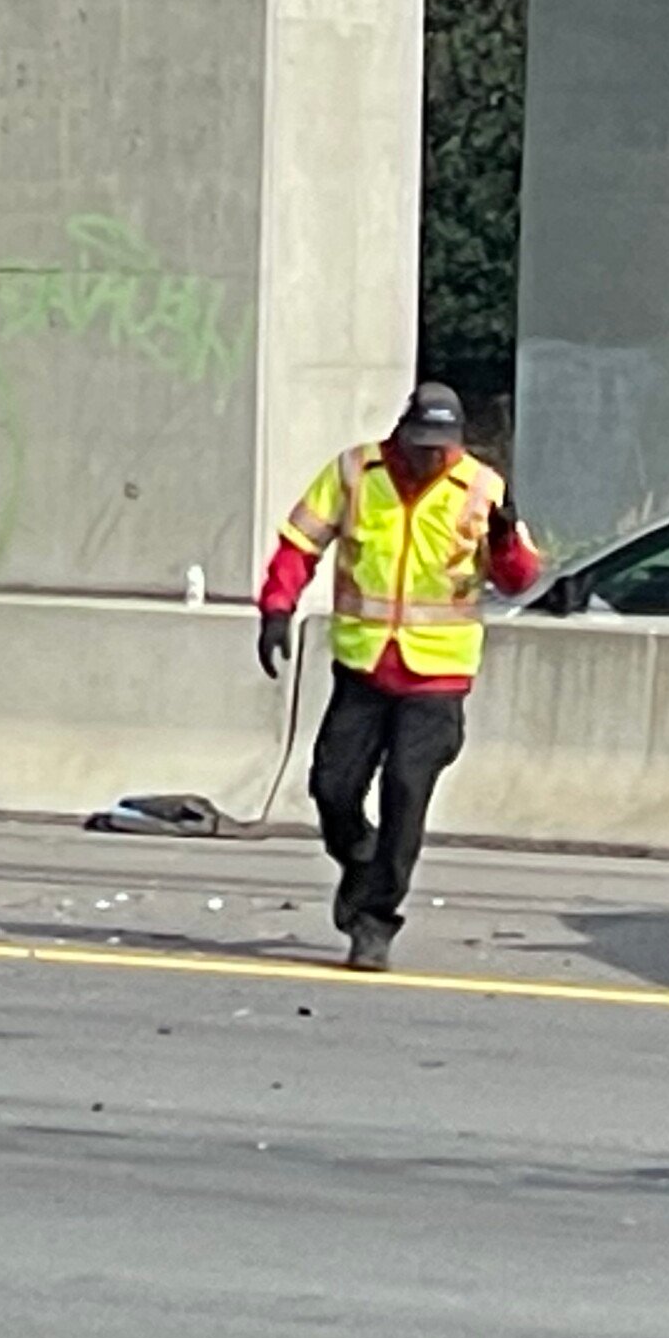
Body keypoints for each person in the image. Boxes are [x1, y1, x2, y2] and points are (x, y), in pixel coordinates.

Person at [256, 384, 540, 971]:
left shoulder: (482, 489)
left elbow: (518, 580)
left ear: (456, 443)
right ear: (400, 434)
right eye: (418, 445)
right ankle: (360, 864)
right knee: (333, 788)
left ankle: (375, 921)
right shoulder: (357, 471)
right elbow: (299, 542)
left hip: (437, 673)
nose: (427, 457)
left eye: (439, 448)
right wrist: (277, 608)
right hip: (363, 665)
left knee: (406, 794)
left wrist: (506, 538)